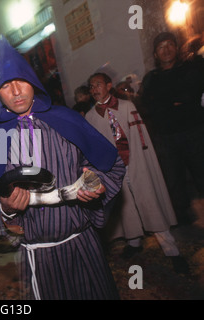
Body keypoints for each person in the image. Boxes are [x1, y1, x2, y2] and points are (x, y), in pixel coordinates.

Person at [0, 36, 126, 300]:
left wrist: (95, 186)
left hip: (84, 244)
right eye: (6, 86)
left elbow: (113, 166)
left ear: (34, 83)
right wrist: (6, 211)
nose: (16, 91)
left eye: (21, 82)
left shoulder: (67, 119)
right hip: (39, 256)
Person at [85, 72, 189, 274]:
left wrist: (137, 160)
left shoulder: (126, 107)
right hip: (113, 169)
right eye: (91, 86)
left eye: (98, 84)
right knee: (124, 207)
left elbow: (140, 139)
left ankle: (172, 251)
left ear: (109, 85)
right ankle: (134, 242)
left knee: (149, 202)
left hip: (134, 163)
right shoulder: (90, 117)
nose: (94, 89)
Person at [139, 32, 204, 225]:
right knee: (174, 179)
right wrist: (174, 101)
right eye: (161, 47)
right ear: (156, 54)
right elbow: (147, 105)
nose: (166, 50)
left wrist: (172, 101)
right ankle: (183, 218)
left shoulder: (191, 70)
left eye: (170, 45)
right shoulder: (151, 78)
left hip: (194, 132)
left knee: (202, 172)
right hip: (166, 138)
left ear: (176, 48)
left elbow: (192, 94)